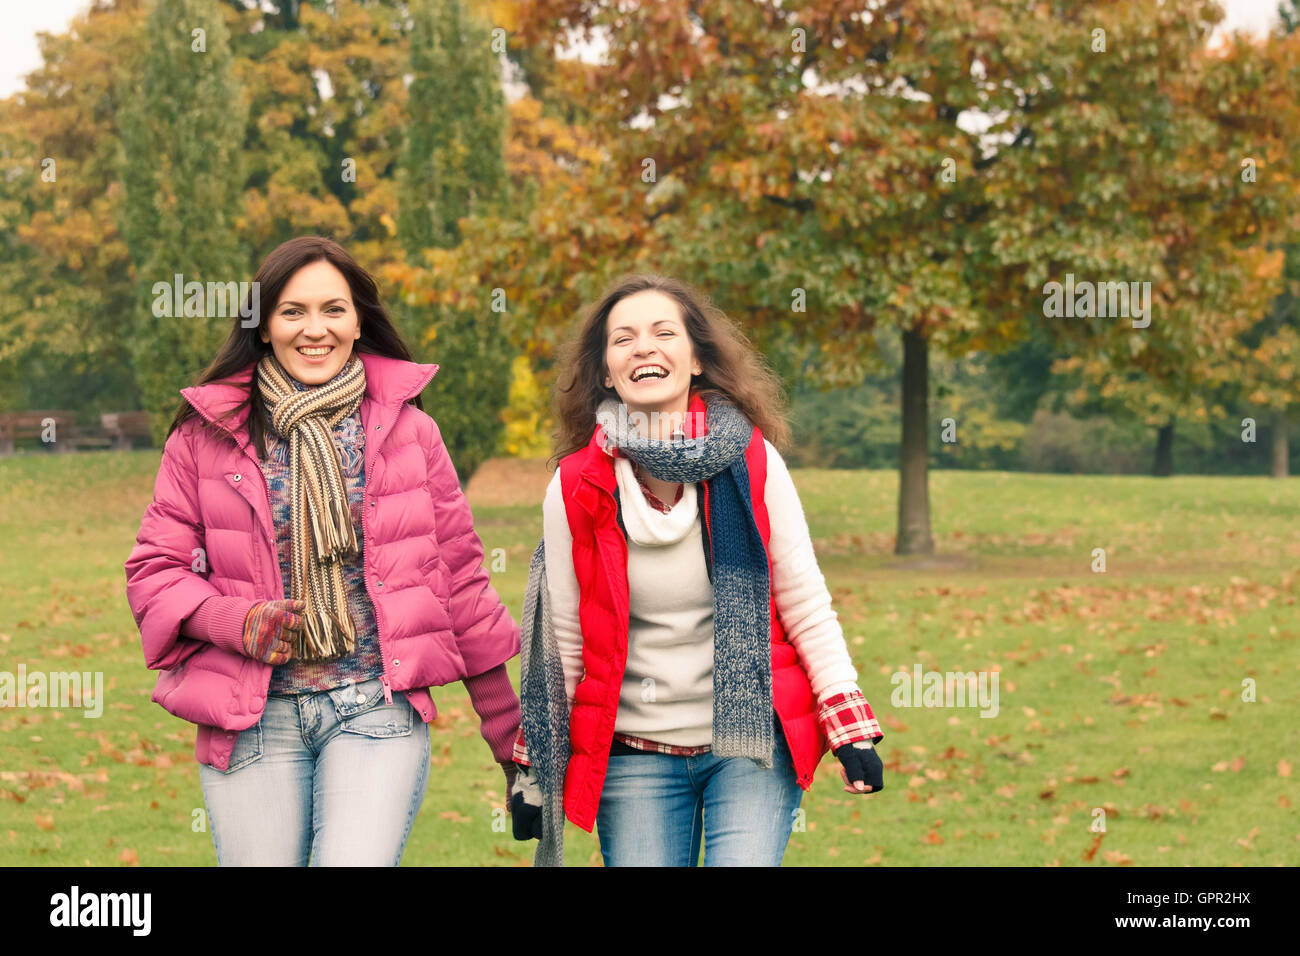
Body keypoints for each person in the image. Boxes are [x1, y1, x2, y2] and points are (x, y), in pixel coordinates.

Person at [124, 235, 521, 866]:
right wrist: (238, 620)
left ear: (359, 320)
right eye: (293, 312)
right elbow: (156, 572)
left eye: (334, 310)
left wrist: (508, 734)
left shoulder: (410, 432)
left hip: (374, 708)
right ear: (262, 328)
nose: (316, 329)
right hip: (253, 719)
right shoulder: (205, 438)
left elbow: (461, 583)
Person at [509, 274, 885, 867]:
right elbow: (563, 645)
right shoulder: (575, 485)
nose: (644, 348)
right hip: (635, 752)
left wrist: (849, 722)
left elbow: (805, 603)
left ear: (696, 360)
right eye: (623, 339)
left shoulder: (753, 462)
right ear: (606, 372)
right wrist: (534, 767)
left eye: (664, 333)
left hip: (748, 741)